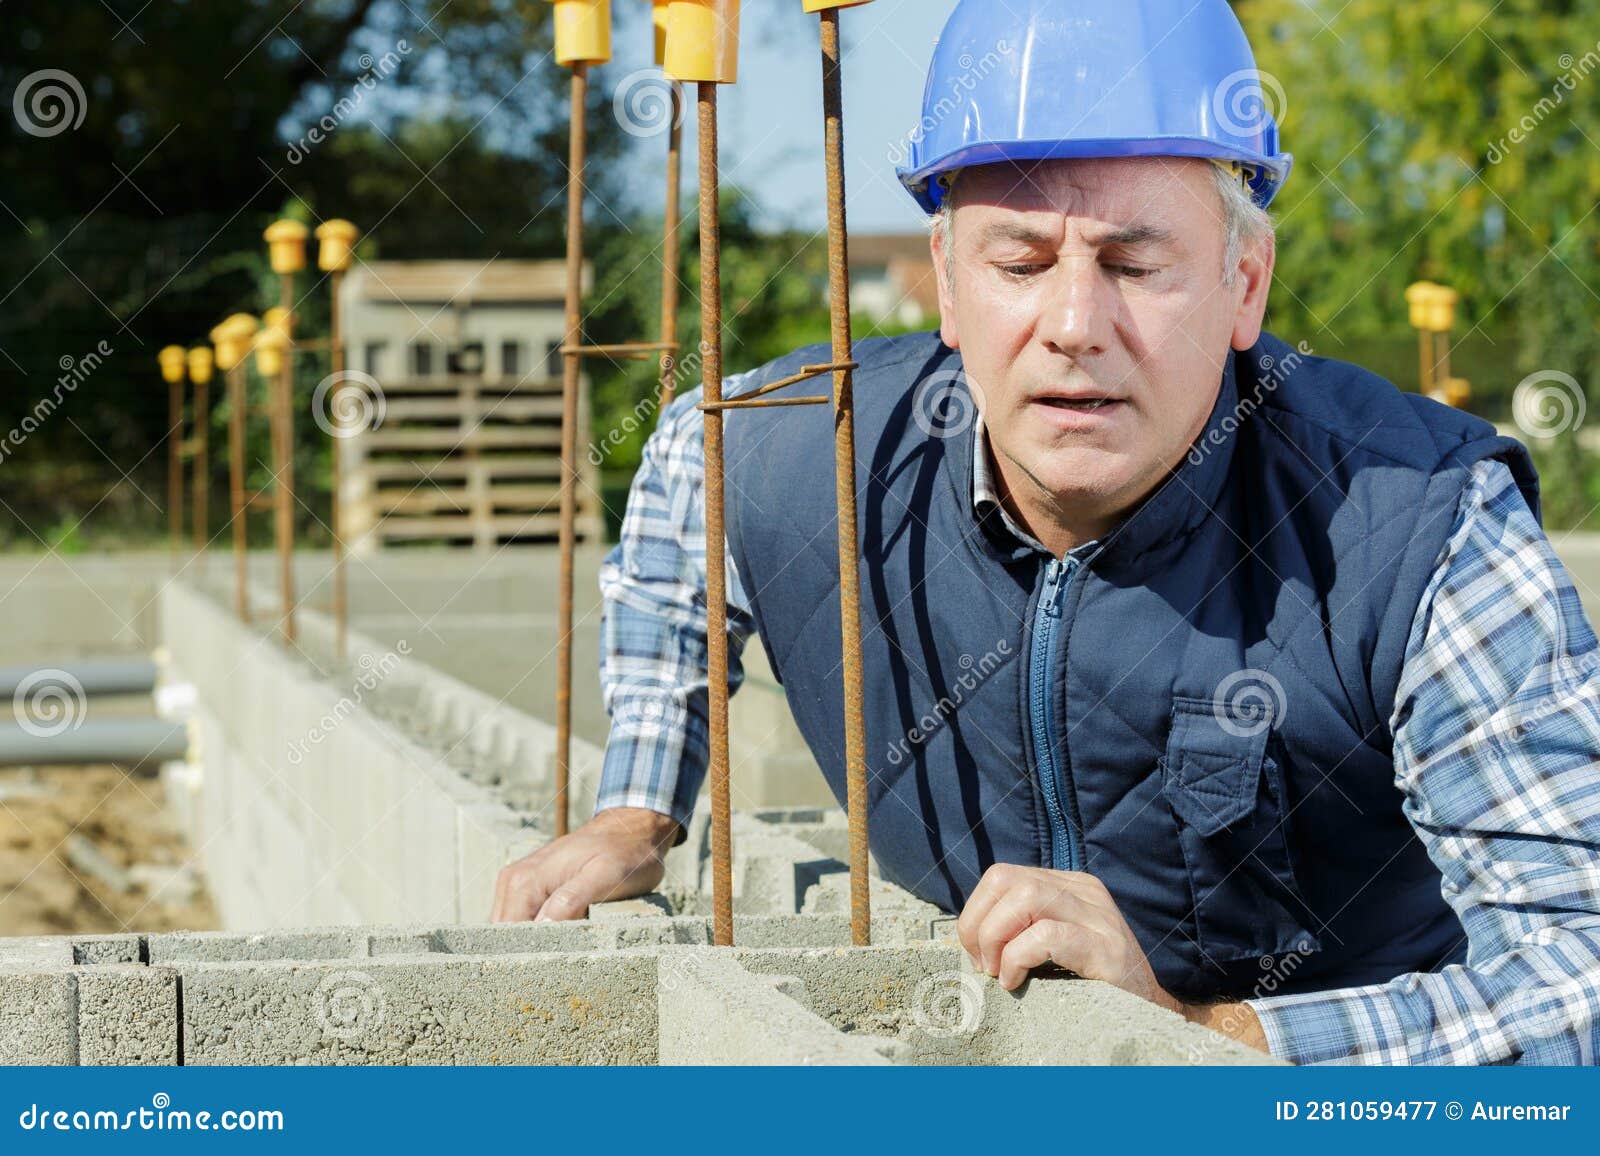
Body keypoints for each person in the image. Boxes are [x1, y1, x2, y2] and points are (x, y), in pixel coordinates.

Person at [494, 0, 1600, 1065]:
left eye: (1133, 264)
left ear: (1243, 284)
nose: (1074, 326)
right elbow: (688, 472)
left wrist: (1193, 1035)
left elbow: (1580, 973)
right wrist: (640, 809)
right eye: (1019, 264)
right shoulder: (806, 457)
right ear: (944, 284)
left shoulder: (1418, 521)